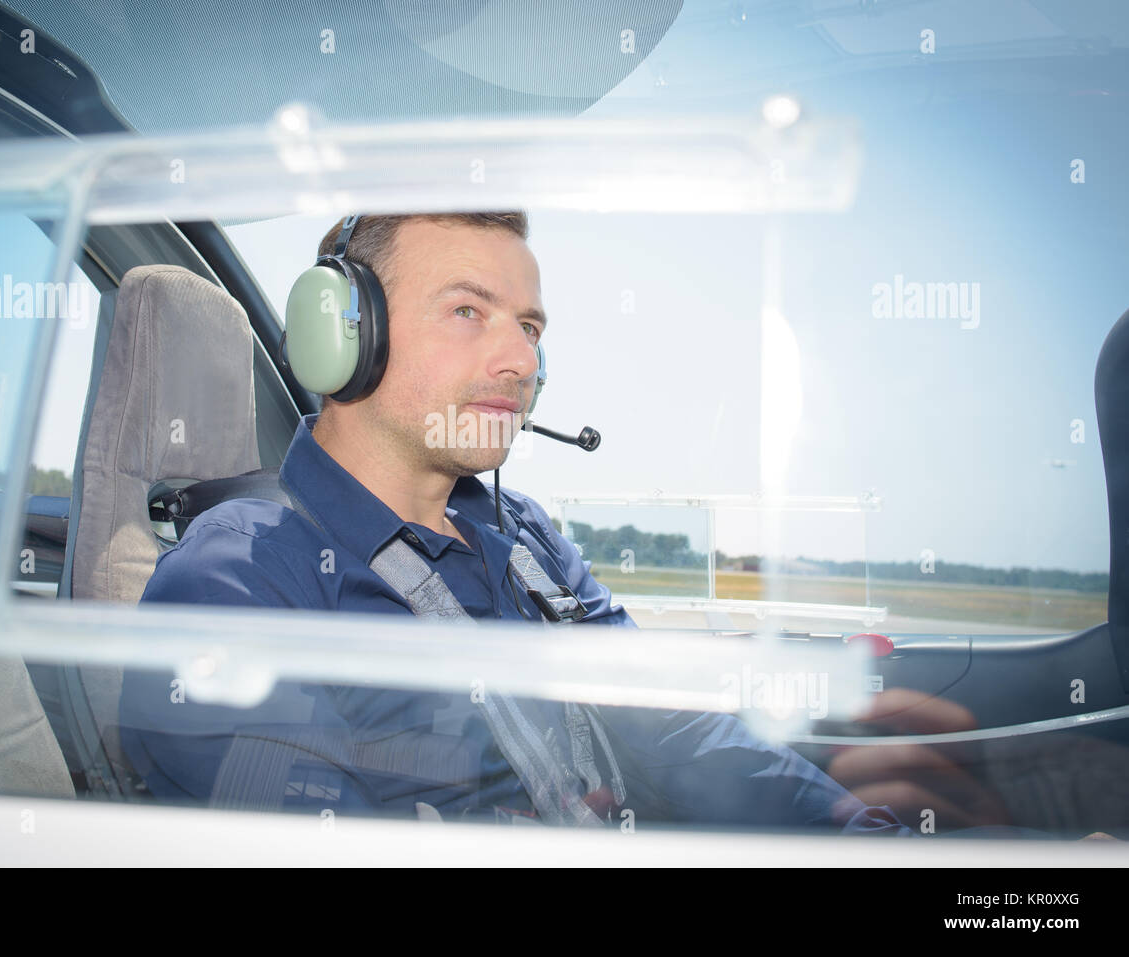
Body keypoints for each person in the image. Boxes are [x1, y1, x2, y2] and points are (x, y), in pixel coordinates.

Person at [118, 211, 914, 834]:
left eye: (529, 328)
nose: (523, 361)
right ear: (342, 333)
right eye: (469, 310)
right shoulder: (235, 588)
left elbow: (672, 726)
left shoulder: (525, 537)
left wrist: (853, 825)